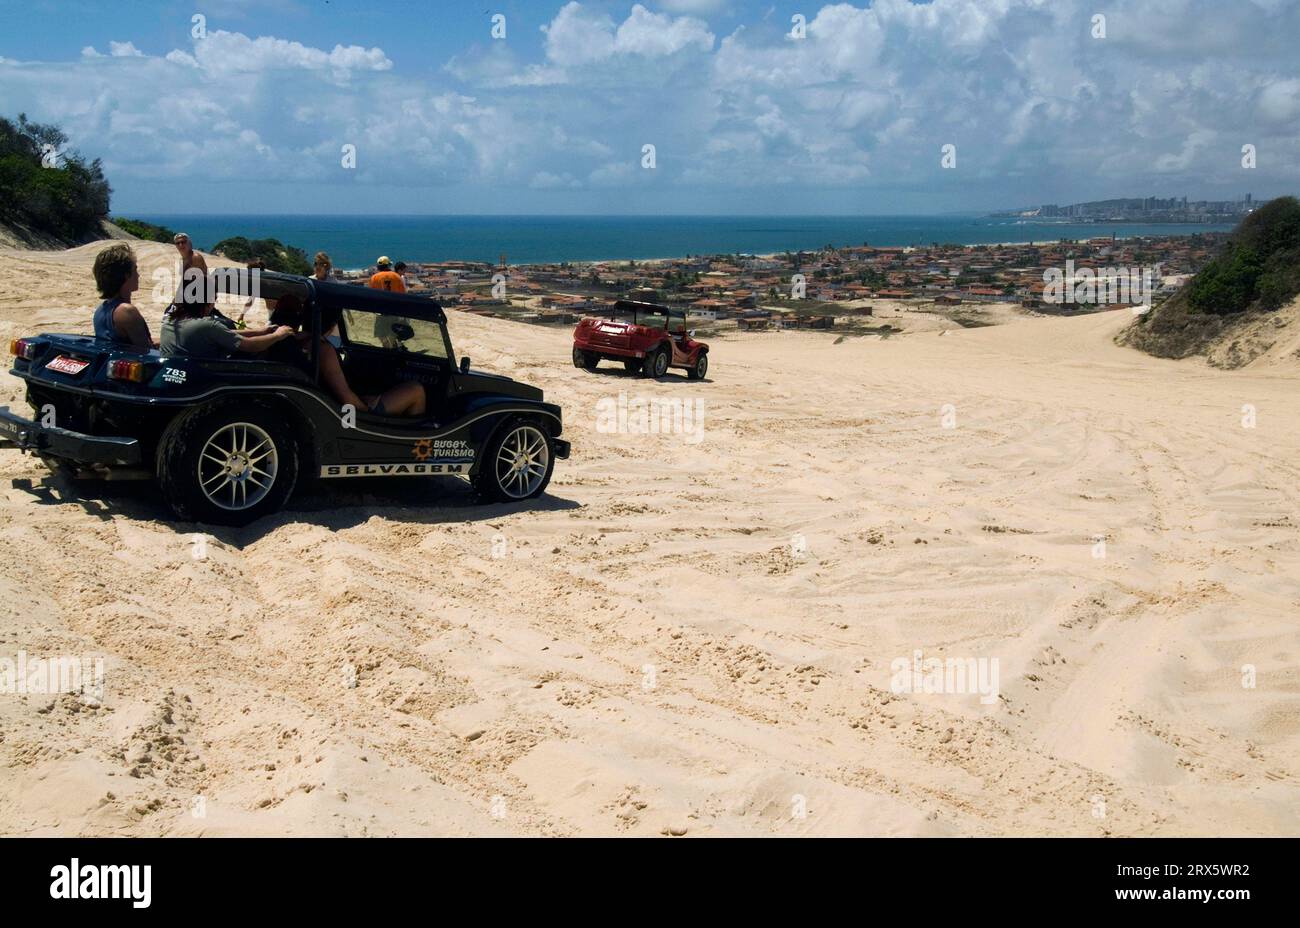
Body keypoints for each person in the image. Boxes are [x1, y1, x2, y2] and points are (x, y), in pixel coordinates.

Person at [314, 304, 425, 417]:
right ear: (332, 324)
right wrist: (366, 410)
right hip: (347, 412)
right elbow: (345, 396)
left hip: (332, 402)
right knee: (417, 390)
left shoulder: (304, 342)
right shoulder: (323, 350)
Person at [161, 288, 296, 358]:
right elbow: (251, 346)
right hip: (206, 375)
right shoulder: (207, 325)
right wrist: (278, 335)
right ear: (206, 303)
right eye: (214, 299)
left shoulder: (170, 319)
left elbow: (223, 333)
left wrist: (260, 331)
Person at [91, 243, 154, 350]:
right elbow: (146, 351)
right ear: (126, 275)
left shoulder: (102, 309)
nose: (138, 275)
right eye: (135, 269)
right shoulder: (127, 311)